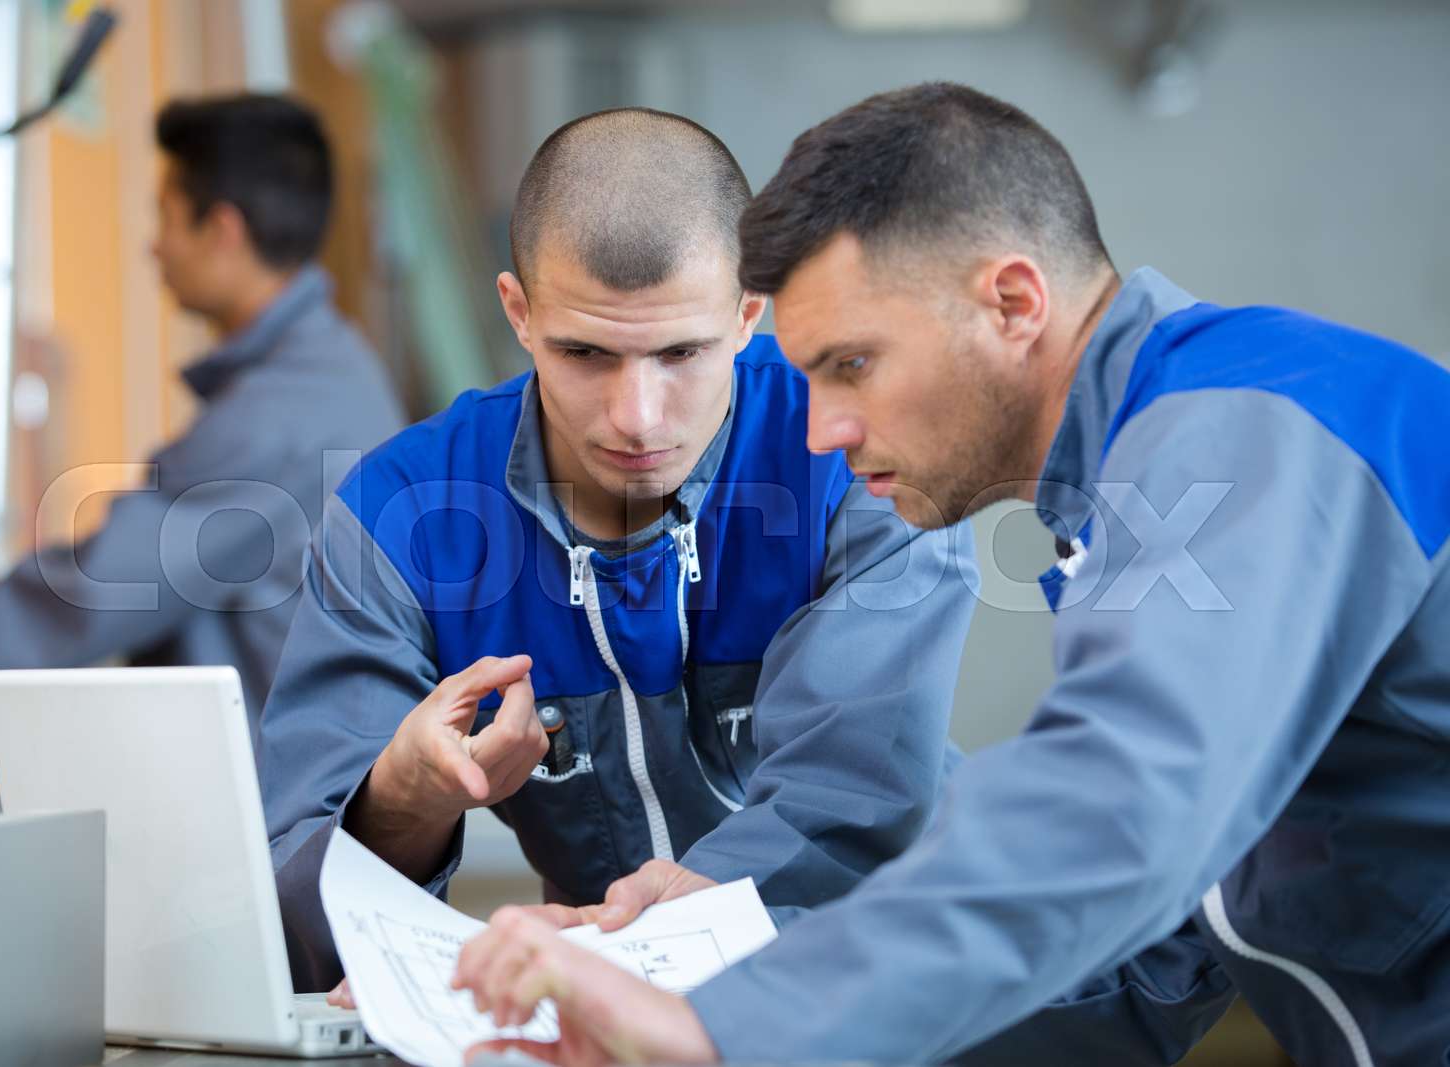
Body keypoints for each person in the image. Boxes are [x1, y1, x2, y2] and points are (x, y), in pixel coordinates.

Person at [451, 83, 1450, 1067]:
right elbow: (1145, 953)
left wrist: (724, 1026)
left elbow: (1112, 812)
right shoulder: (1113, 500)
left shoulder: (1245, 432)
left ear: (1011, 302)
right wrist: (702, 985)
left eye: (852, 364)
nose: (822, 429)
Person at [255, 107, 979, 994]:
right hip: (607, 1013)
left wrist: (637, 943)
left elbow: (859, 799)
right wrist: (404, 796)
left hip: (879, 1002)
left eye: (681, 351)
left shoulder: (859, 456)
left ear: (751, 307)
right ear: (519, 312)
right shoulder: (399, 516)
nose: (637, 415)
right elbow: (294, 929)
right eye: (586, 353)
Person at [0, 93, 404, 735]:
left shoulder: (280, 415)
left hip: (276, 812)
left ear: (222, 230)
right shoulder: (334, 369)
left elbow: (95, 600)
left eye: (165, 218)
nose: (153, 247)